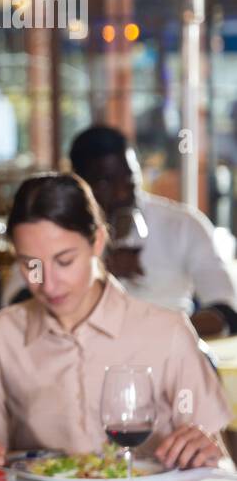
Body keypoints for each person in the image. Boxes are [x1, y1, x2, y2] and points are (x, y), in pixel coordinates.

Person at [0, 173, 231, 469]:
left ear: (98, 241)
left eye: (64, 261)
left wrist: (204, 449)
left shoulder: (167, 332)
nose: (47, 284)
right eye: (31, 265)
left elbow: (212, 461)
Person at [65, 124, 237, 338]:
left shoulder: (182, 224)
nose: (121, 192)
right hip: (86, 351)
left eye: (129, 179)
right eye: (105, 183)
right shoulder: (61, 231)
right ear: (79, 184)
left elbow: (226, 312)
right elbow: (23, 302)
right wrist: (101, 272)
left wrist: (153, 336)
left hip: (172, 351)